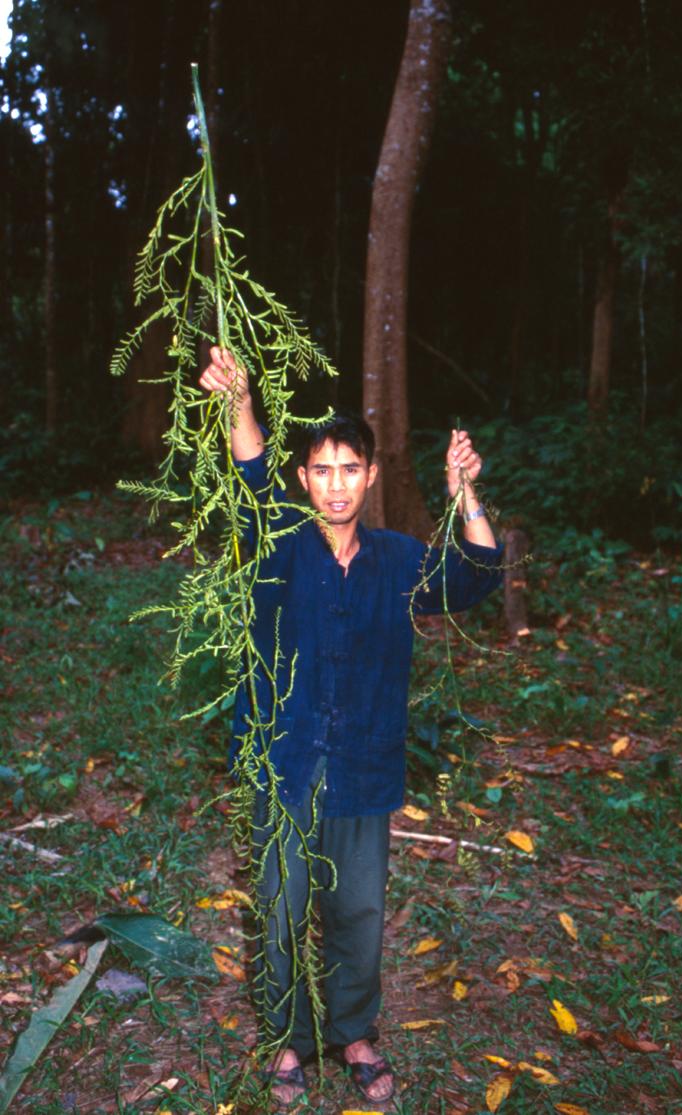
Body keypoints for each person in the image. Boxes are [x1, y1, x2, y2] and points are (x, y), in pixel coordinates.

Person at [199, 347, 503, 1107]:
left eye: (349, 469)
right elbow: (250, 477)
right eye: (321, 470)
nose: (335, 484)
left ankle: (354, 1031)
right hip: (285, 761)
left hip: (363, 770)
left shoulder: (399, 561)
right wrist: (239, 401)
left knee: (358, 909)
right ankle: (287, 1040)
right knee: (279, 906)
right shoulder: (277, 550)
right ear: (305, 479)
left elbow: (476, 577)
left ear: (370, 477)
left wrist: (464, 494)